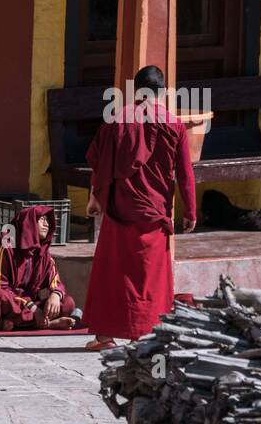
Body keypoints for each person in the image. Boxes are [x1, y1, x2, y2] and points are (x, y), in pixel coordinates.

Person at [82, 65, 197, 351]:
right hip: (154, 212)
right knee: (149, 275)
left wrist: (95, 197)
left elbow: (100, 162)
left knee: (113, 271)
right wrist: (191, 211)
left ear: (136, 90)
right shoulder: (174, 124)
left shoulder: (117, 121)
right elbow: (185, 174)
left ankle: (104, 336)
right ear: (163, 91)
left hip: (120, 207)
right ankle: (145, 334)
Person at [0, 205, 77, 331]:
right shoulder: (6, 250)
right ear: (28, 224)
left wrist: (56, 295)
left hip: (30, 307)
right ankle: (47, 324)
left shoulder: (45, 256)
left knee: (68, 303)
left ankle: (26, 323)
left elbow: (55, 282)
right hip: (12, 303)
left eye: (47, 220)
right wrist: (32, 308)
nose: (46, 224)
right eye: (41, 219)